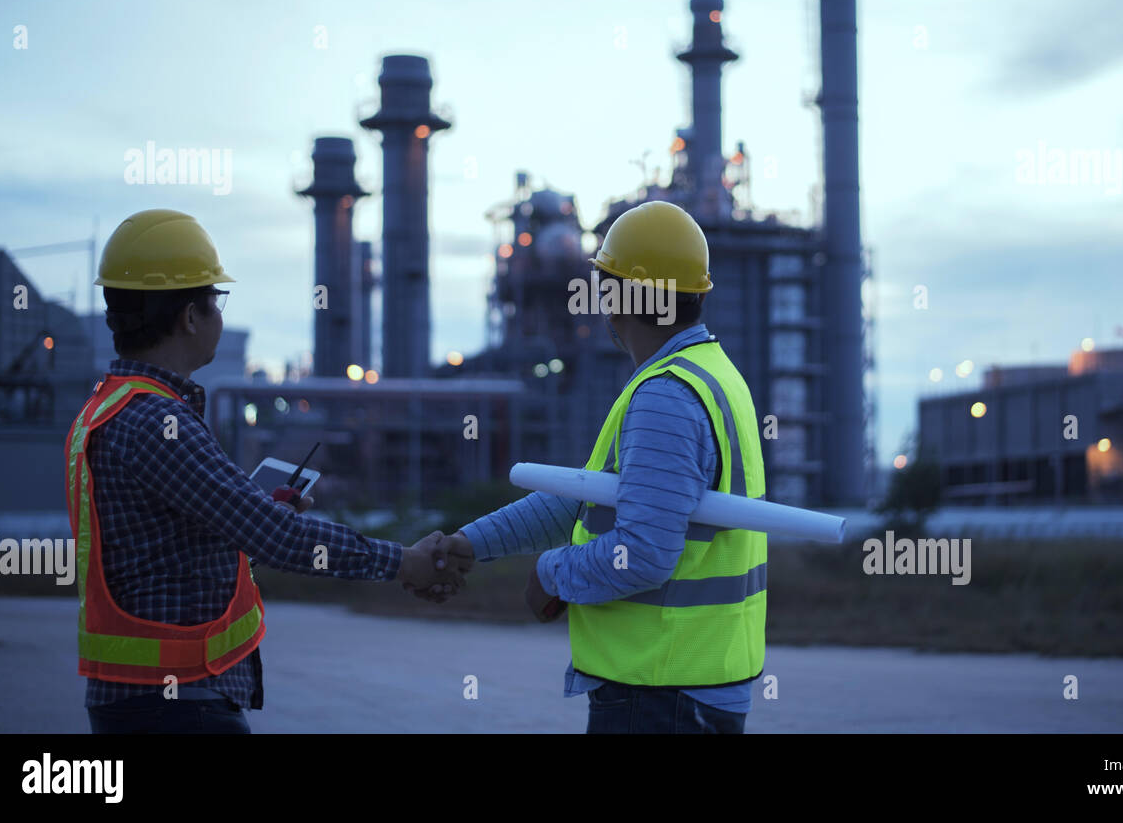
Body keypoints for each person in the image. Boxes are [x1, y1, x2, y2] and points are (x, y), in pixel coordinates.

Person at [68, 208, 470, 734]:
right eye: (215, 301)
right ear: (190, 316)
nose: (218, 316)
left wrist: (256, 518)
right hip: (178, 703)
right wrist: (405, 561)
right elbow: (280, 538)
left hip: (146, 698)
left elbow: (163, 550)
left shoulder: (107, 409)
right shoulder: (158, 421)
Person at [433, 200, 768, 733]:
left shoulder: (666, 395)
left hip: (661, 692)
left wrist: (551, 574)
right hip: (692, 683)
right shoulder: (712, 374)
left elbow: (642, 555)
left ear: (620, 296)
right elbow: (589, 497)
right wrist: (471, 543)